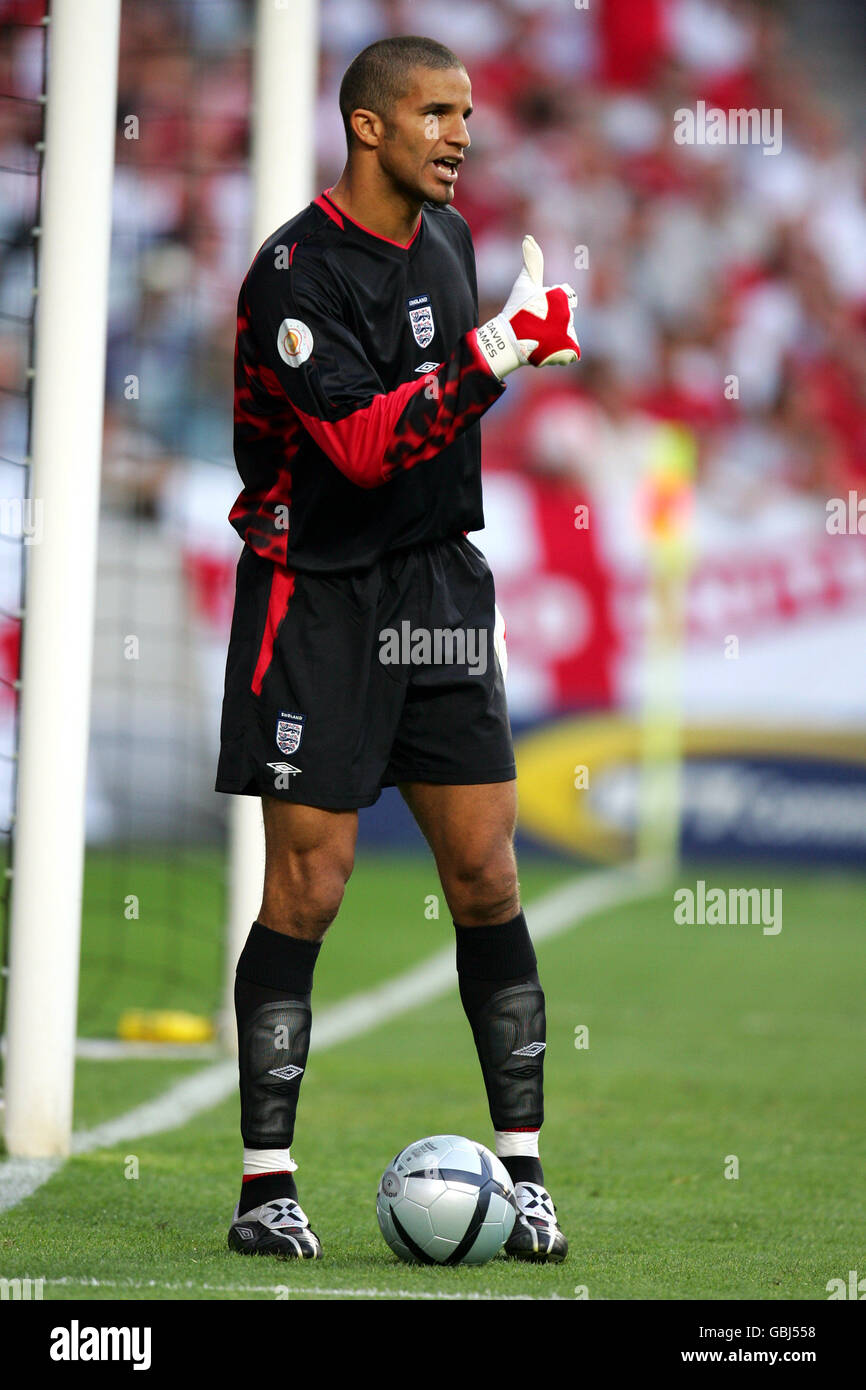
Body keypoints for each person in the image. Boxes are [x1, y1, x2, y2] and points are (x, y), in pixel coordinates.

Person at [216, 34, 580, 1262]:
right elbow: (365, 449)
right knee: (309, 888)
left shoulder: (452, 239)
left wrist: (503, 349)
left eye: (465, 113)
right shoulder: (290, 278)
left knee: (486, 876)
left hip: (436, 586)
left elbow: (439, 420)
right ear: (366, 126)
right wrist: (494, 353)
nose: (458, 135)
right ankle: (268, 1186)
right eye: (432, 113)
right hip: (313, 596)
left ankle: (524, 1177)